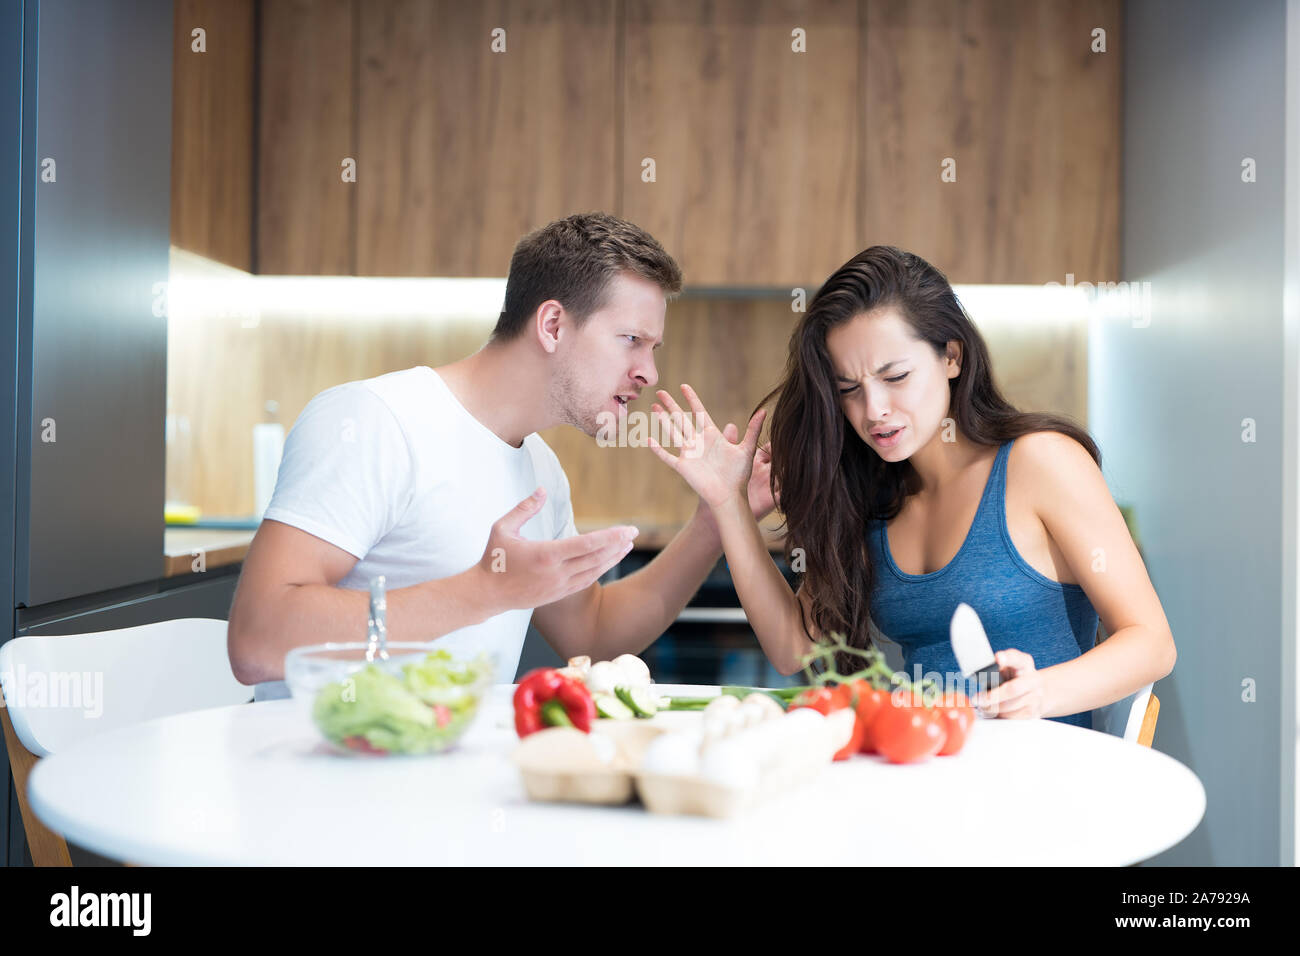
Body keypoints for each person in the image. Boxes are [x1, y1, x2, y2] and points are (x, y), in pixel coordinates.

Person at [227, 212, 774, 689]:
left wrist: (714, 521)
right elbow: (258, 637)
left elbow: (595, 633)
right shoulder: (374, 421)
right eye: (632, 340)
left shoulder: (540, 471)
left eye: (653, 348)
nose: (648, 373)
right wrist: (482, 592)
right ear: (553, 325)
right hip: (329, 792)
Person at [646, 245, 1175, 727]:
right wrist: (728, 504)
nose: (873, 410)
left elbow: (1151, 643)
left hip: (1039, 786)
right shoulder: (869, 497)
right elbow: (794, 649)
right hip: (927, 770)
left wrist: (1040, 692)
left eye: (895, 377)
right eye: (849, 389)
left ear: (952, 356)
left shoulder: (1041, 463)